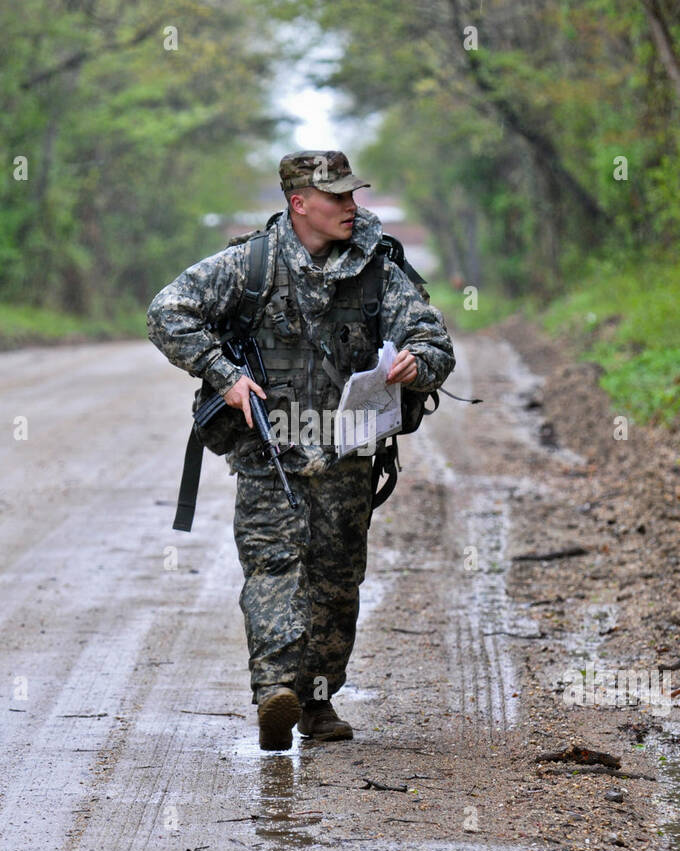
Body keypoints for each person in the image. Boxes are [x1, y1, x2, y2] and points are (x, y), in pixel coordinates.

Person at [146, 150, 456, 750]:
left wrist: (419, 364)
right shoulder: (250, 265)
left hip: (349, 457)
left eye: (352, 195)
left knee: (336, 582)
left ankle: (317, 701)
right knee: (273, 570)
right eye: (337, 197)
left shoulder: (376, 268)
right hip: (269, 453)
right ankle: (274, 694)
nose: (350, 206)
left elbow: (432, 337)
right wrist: (224, 374)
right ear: (299, 204)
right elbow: (168, 312)